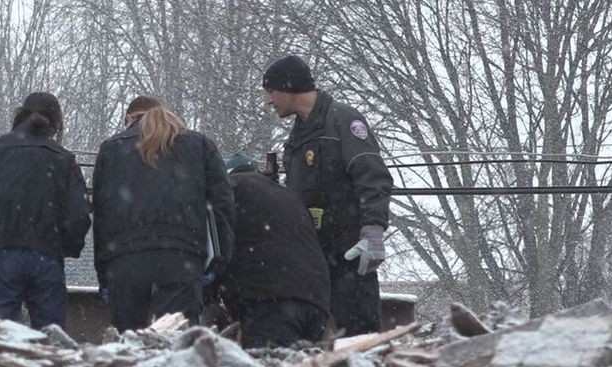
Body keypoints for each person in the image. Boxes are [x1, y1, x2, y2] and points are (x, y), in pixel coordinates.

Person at [263, 55, 393, 336]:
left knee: (359, 337)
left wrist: (373, 229)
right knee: (314, 341)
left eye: (270, 91)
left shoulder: (343, 121)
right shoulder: (296, 138)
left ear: (289, 86)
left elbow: (373, 176)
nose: (268, 100)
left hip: (349, 254)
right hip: (313, 260)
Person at [92, 96, 235, 332]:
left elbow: (101, 215)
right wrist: (217, 264)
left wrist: (104, 275)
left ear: (129, 118)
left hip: (125, 259)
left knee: (129, 340)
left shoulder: (111, 149)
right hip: (181, 256)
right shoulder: (199, 145)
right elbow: (222, 205)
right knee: (177, 338)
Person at [0, 92, 91, 329]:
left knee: (0, 334)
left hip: (0, 255)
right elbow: (78, 215)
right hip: (46, 257)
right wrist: (65, 247)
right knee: (50, 336)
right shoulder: (64, 160)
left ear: (21, 116)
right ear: (56, 124)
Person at [219, 154, 330, 347]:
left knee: (265, 363)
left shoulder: (229, 189)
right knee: (302, 364)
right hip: (317, 302)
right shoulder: (288, 195)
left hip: (270, 300)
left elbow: (216, 246)